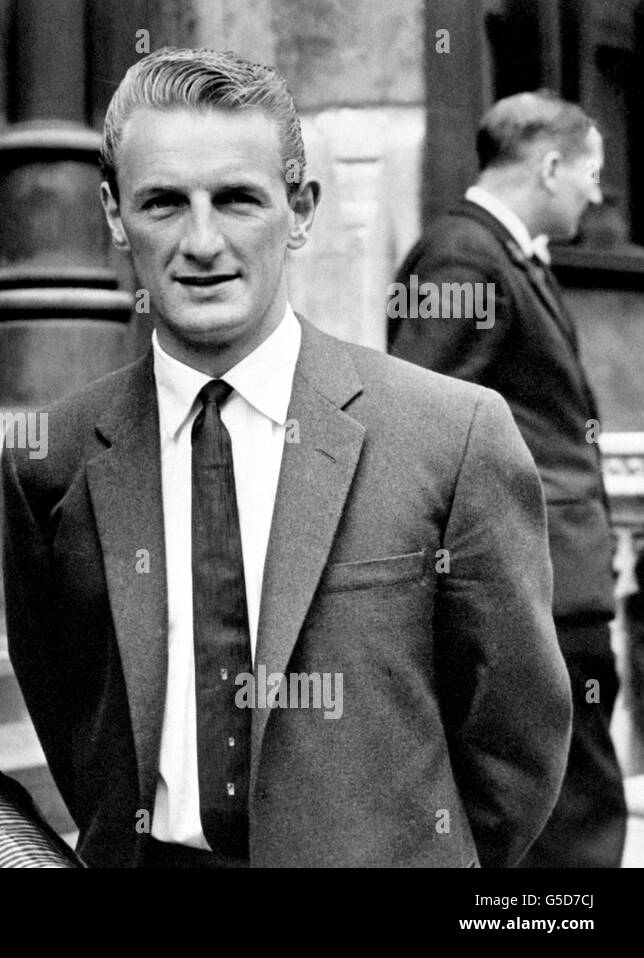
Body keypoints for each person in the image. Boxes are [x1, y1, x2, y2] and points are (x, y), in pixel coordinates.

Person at [2, 48, 572, 868]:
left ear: (299, 209)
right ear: (113, 213)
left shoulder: (450, 434)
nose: (203, 242)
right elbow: (69, 709)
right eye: (163, 202)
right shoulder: (53, 458)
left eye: (238, 199)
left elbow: (514, 735)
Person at [388, 90, 626, 867]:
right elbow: (416, 422)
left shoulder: (510, 255)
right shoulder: (464, 256)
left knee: (576, 799)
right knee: (567, 809)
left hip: (562, 579)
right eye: (590, 172)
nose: (598, 192)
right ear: (550, 166)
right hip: (529, 585)